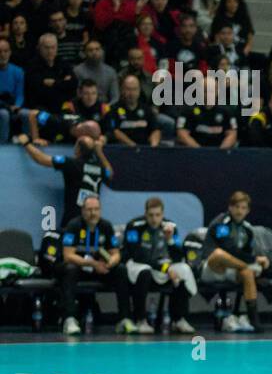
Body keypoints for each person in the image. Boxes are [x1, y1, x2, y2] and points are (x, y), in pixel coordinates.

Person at [59, 194, 132, 335]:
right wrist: (92, 264)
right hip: (81, 269)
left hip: (101, 270)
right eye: (89, 209)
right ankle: (70, 319)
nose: (93, 213)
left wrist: (111, 262)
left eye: (96, 209)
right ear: (83, 211)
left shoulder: (106, 226)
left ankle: (124, 319)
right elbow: (68, 255)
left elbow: (116, 253)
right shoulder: (74, 225)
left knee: (121, 270)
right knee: (69, 269)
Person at [122, 197, 197, 334]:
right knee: (145, 272)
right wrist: (166, 268)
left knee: (183, 270)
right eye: (150, 215)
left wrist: (170, 241)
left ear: (162, 214)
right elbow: (137, 255)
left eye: (157, 215)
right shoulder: (134, 226)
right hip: (138, 265)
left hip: (162, 265)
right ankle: (141, 320)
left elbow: (179, 256)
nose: (154, 219)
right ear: (145, 214)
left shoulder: (170, 227)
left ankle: (179, 319)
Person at [200, 191, 268, 333]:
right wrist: (254, 261)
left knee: (247, 273)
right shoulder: (221, 223)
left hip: (232, 269)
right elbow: (228, 248)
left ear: (248, 210)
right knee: (219, 253)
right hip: (212, 268)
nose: (239, 211)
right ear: (230, 208)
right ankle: (247, 267)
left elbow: (248, 252)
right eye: (236, 207)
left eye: (243, 208)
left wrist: (258, 261)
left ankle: (254, 320)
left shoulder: (248, 229)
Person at [14, 131, 112, 226]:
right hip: (92, 220)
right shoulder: (99, 168)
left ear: (77, 149)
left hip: (72, 220)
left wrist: (26, 143)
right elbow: (110, 173)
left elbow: (41, 159)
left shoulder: (71, 163)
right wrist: (99, 152)